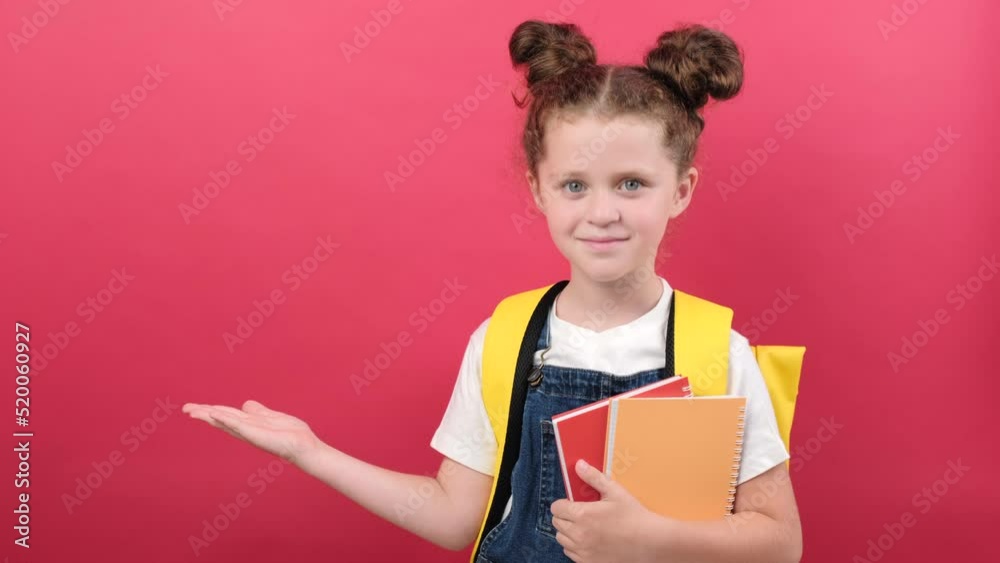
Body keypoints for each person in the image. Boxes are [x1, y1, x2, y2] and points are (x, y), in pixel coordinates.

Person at [183, 19, 803, 563]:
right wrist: (312, 453)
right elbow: (454, 517)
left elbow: (780, 542)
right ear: (538, 189)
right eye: (575, 185)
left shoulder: (721, 350)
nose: (603, 212)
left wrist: (649, 540)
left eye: (633, 183)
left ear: (682, 189)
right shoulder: (505, 339)